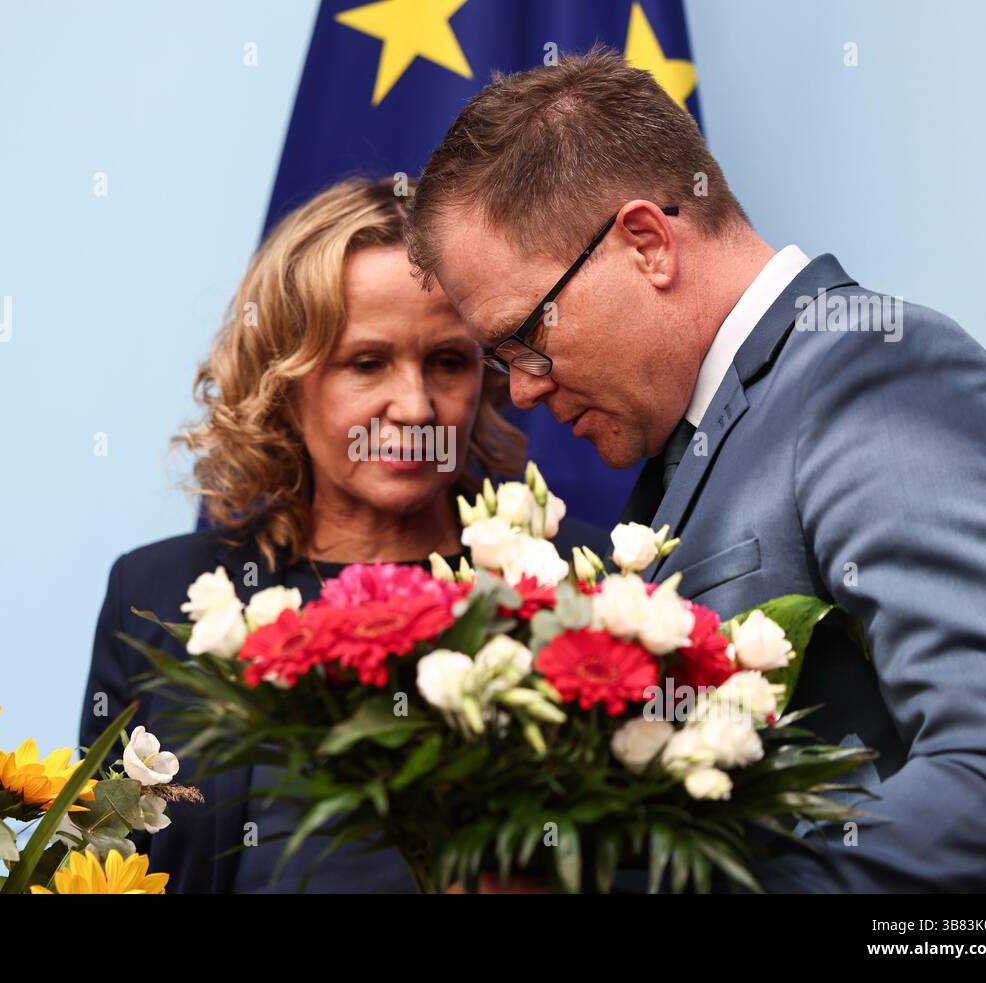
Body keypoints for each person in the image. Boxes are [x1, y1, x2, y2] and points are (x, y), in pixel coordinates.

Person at [405, 46, 986, 892]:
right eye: (499, 360)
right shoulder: (698, 441)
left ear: (645, 242)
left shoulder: (875, 374)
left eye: (527, 337)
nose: (522, 389)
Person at [79, 176, 611, 893]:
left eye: (448, 361)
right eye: (367, 362)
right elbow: (98, 870)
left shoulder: (582, 580)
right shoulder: (154, 598)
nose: (416, 408)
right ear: (284, 378)